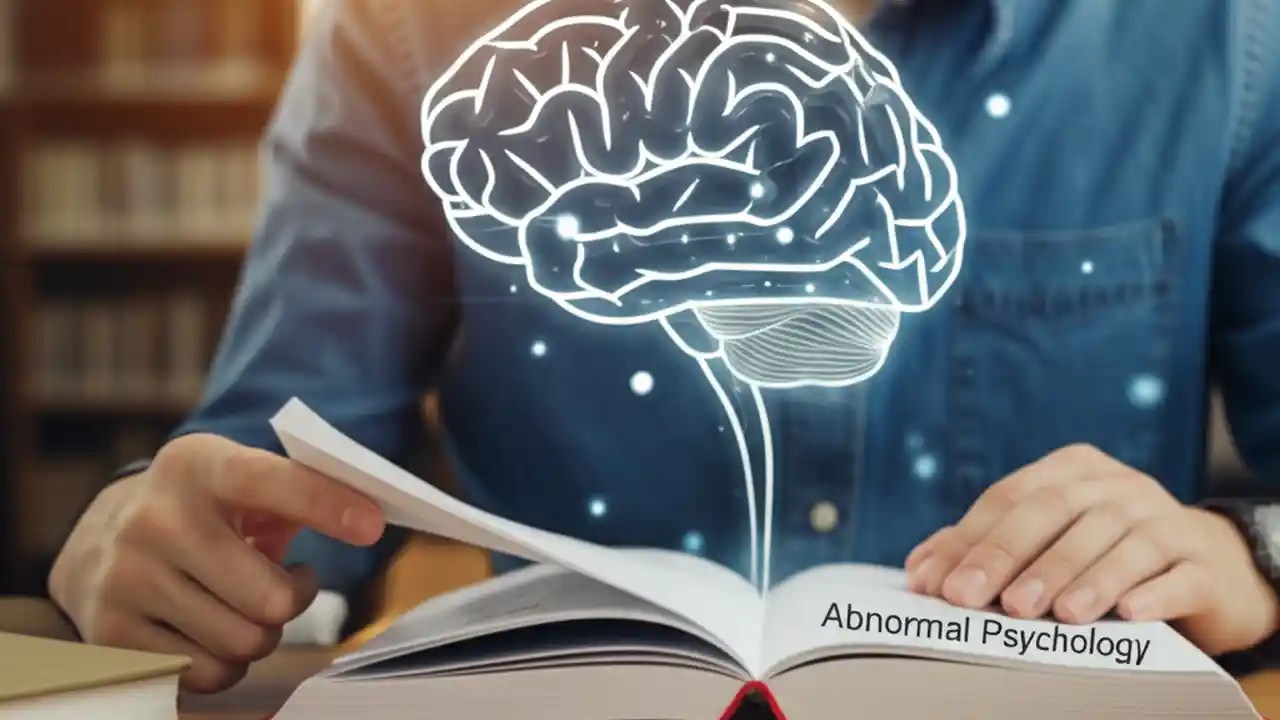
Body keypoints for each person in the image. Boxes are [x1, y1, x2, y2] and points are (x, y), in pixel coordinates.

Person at [48, 0, 1280, 694]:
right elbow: (284, 467)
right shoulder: (412, 30)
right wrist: (157, 538)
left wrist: (1245, 556)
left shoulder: (1216, 36)